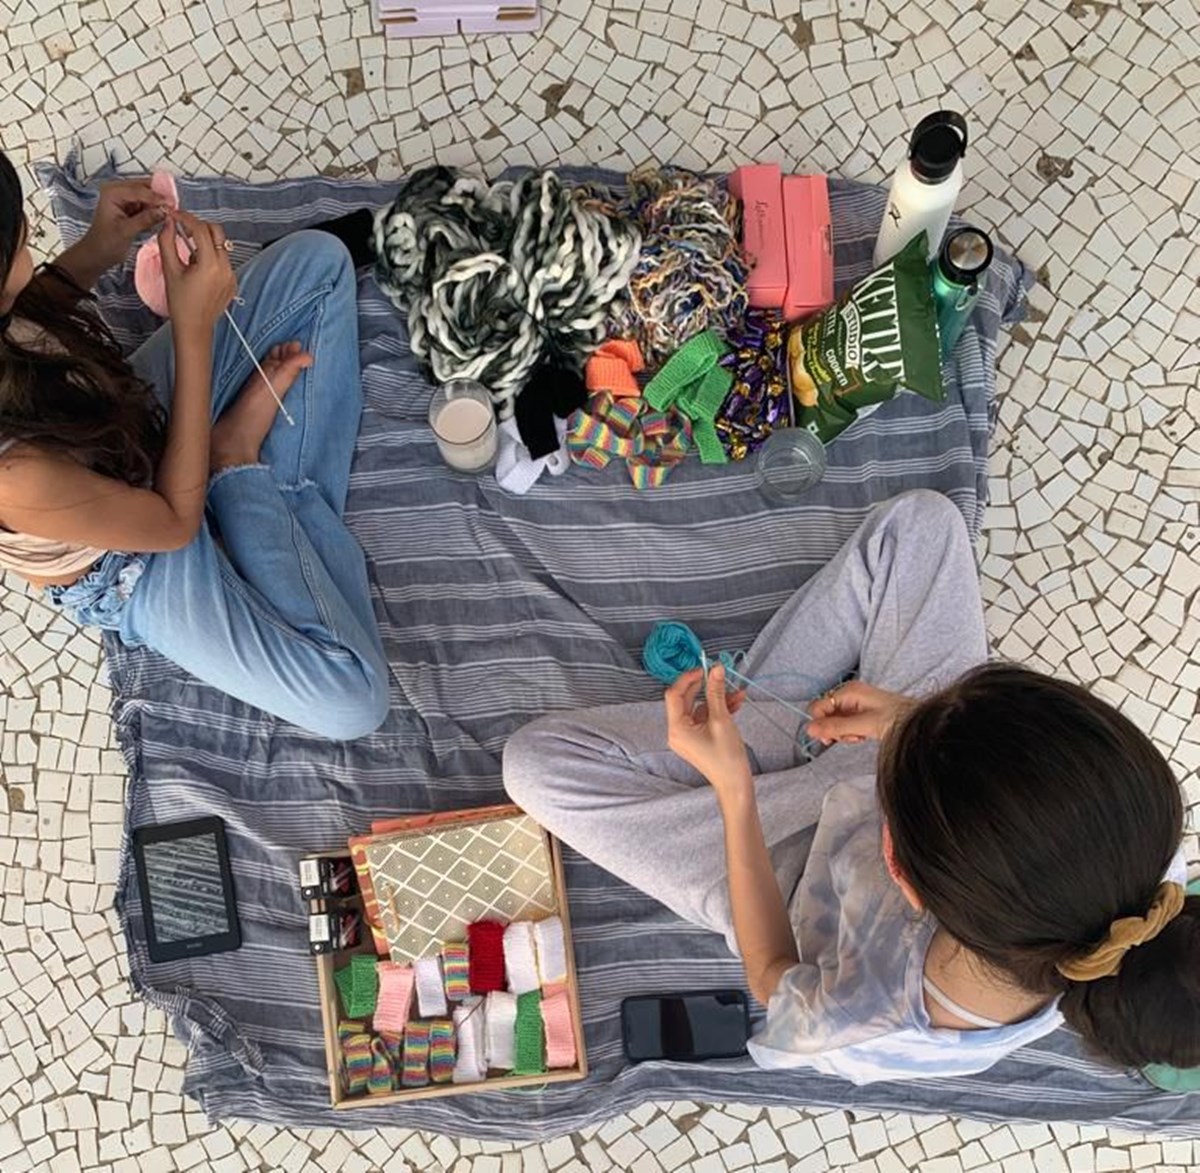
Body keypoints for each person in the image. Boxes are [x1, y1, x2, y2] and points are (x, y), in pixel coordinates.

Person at [504, 490, 1199, 1083]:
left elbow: (770, 965)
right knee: (923, 523)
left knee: (533, 764)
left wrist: (734, 789)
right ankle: (781, 728)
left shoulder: (864, 1015)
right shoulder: (1146, 863)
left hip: (774, 871)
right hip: (936, 786)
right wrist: (906, 715)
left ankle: (761, 739)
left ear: (899, 864)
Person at [0, 151, 388, 739]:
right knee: (354, 701)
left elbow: (29, 312)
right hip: (134, 558)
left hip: (125, 418)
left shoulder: (11, 321)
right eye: (19, 246)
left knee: (320, 260)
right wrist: (193, 326)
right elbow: (173, 523)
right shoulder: (13, 474)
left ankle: (242, 470)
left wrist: (102, 244)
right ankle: (236, 463)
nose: (31, 245)